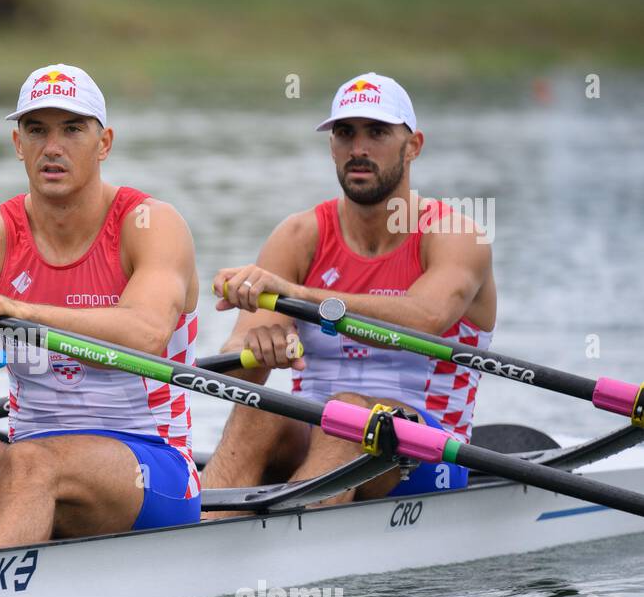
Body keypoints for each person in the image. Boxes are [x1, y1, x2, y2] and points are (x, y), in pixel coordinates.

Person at [0, 64, 200, 559]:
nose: (52, 146)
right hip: (31, 466)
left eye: (72, 129)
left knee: (32, 461)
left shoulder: (150, 224)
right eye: (37, 130)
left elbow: (145, 335)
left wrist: (15, 309)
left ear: (105, 143)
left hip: (153, 468)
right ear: (18, 144)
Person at [204, 73, 497, 512]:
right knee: (260, 406)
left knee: (347, 412)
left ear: (414, 145)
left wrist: (298, 294)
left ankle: (289, 540)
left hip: (428, 454)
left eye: (377, 132)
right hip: (314, 440)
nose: (358, 149)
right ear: (332, 147)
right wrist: (257, 350)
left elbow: (426, 316)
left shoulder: (454, 234)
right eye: (345, 133)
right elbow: (236, 377)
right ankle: (203, 530)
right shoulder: (299, 234)